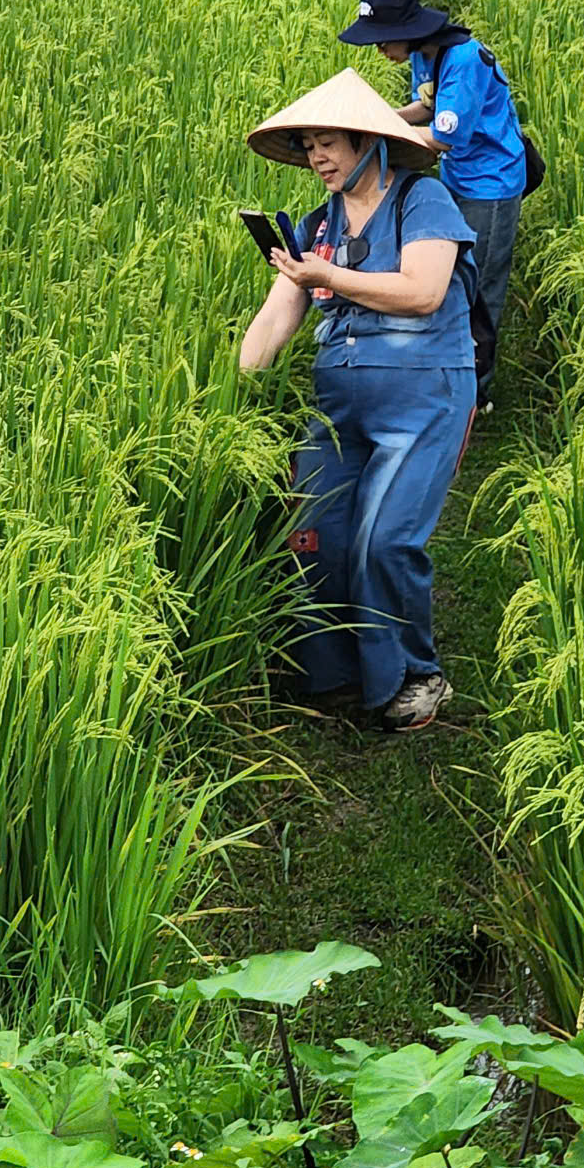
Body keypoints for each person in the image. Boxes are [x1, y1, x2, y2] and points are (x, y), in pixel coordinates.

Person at [238, 67, 477, 732]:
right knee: (316, 536)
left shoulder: (422, 203)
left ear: (368, 142)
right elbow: (280, 313)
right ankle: (339, 671)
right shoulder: (317, 225)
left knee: (384, 540)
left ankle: (413, 675)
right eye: (309, 146)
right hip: (337, 409)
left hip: (423, 399)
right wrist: (235, 383)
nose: (317, 157)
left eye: (329, 143)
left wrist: (327, 276)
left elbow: (424, 290)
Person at [337, 0, 526, 407]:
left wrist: (378, 134)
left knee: (480, 285)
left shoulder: (464, 59)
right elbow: (427, 107)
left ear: (408, 29)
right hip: (458, 178)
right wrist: (376, 120)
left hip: (490, 184)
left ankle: (477, 394)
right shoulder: (423, 55)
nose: (380, 50)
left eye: (383, 41)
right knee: (450, 274)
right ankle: (442, 368)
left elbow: (442, 136)